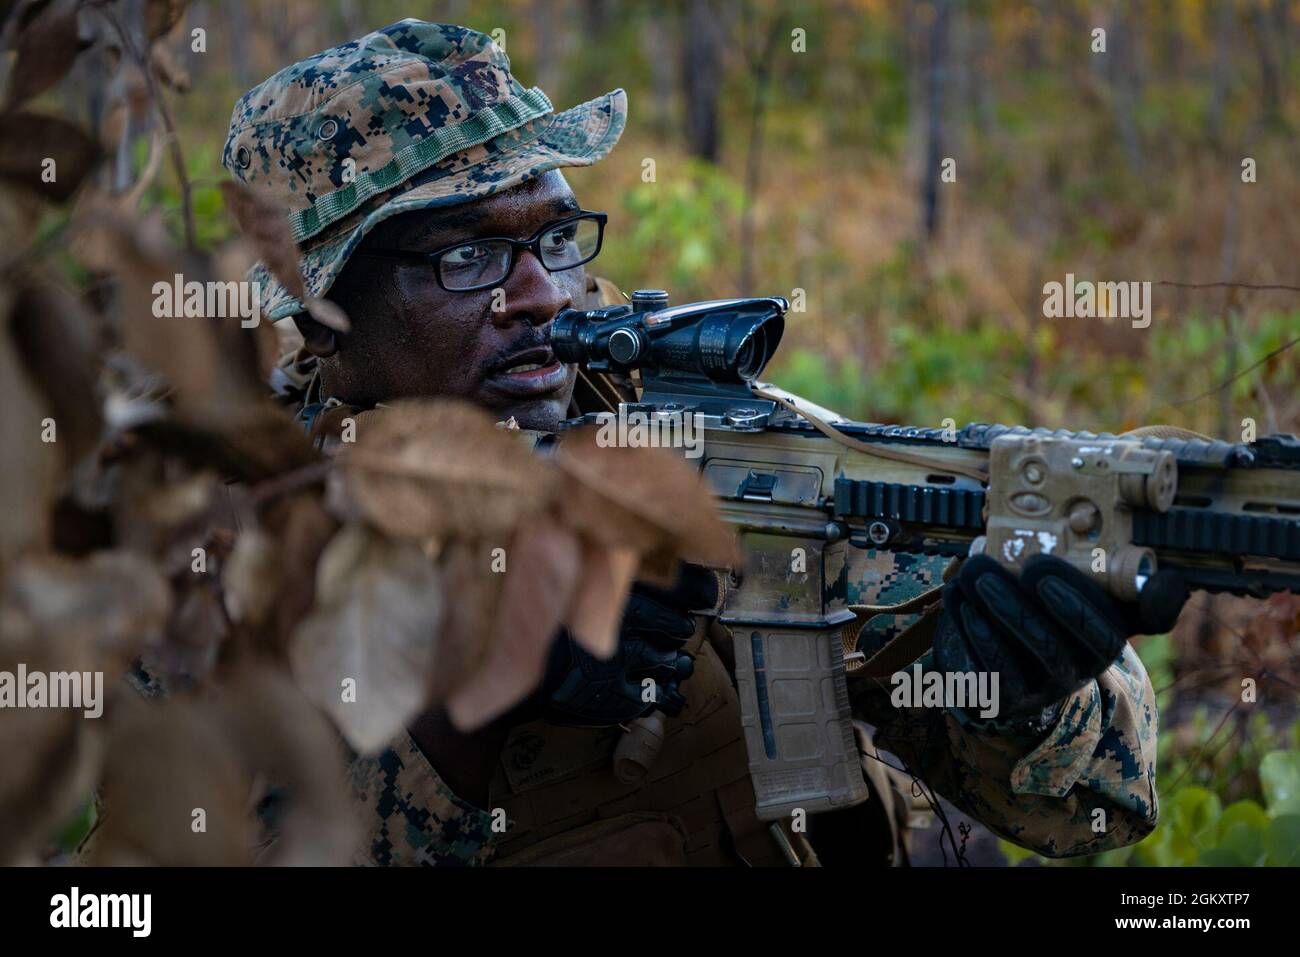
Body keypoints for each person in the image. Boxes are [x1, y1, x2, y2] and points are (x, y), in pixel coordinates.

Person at [225, 19, 1183, 866]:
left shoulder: (681, 429)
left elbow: (1103, 808)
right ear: (320, 311)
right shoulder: (228, 534)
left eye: (557, 237)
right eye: (466, 255)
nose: (544, 295)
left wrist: (1018, 690)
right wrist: (475, 706)